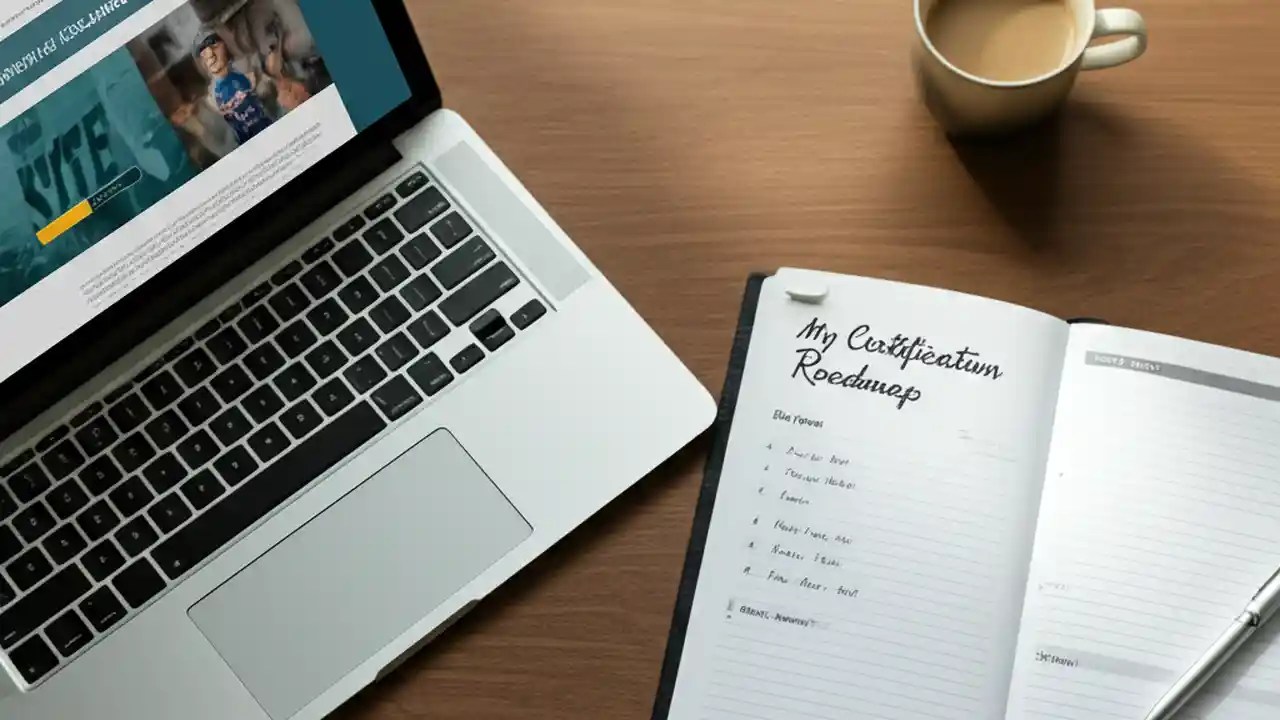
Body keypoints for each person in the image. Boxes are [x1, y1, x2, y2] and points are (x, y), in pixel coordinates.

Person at [194, 28, 273, 144]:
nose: (210, 55)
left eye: (214, 45)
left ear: (224, 46)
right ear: (201, 63)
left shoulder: (249, 67)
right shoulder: (211, 100)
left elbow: (270, 90)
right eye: (204, 53)